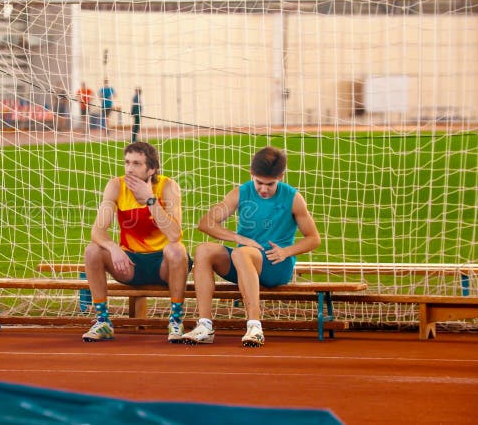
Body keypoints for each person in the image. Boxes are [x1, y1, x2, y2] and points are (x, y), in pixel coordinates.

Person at [182, 146, 321, 347]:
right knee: (203, 250)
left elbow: (313, 238)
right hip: (242, 262)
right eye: (259, 183)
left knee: (241, 253)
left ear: (281, 176)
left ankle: (254, 327)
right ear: (251, 174)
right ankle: (205, 326)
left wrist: (286, 251)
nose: (263, 189)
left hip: (275, 264)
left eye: (270, 184)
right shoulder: (240, 192)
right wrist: (239, 237)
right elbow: (206, 223)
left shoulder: (293, 198)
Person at [82, 141, 190, 343]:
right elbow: (97, 230)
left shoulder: (168, 186)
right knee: (92, 250)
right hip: (130, 263)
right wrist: (113, 247)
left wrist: (150, 200)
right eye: (127, 162)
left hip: (163, 265)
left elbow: (175, 235)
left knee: (177, 249)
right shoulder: (116, 185)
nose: (130, 169)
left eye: (137, 164)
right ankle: (103, 321)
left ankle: (175, 320)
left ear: (152, 169)